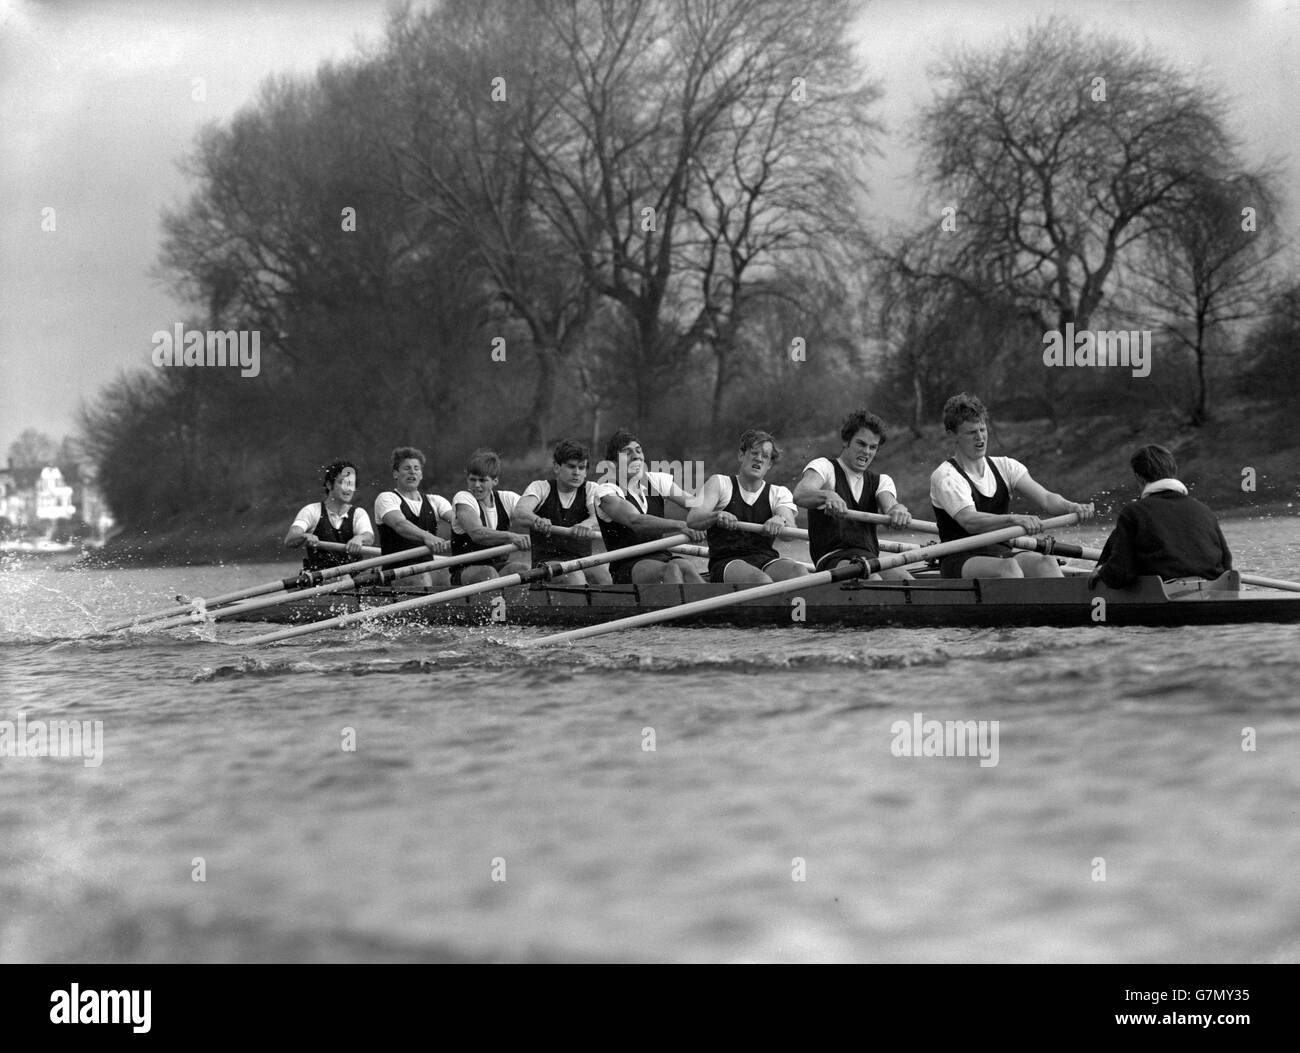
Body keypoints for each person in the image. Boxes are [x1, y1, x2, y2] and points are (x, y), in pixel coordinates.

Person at [929, 393, 1094, 579]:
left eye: (983, 429)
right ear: (953, 436)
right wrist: (1014, 519)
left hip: (1002, 553)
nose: (980, 437)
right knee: (1009, 569)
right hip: (960, 559)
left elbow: (1047, 499)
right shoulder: (946, 476)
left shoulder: (1006, 466)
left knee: (1046, 562)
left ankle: (1063, 608)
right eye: (971, 432)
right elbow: (970, 521)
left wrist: (1071, 506)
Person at [1088, 444, 1231, 589]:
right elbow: (1227, 565)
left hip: (1165, 594)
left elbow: (1120, 574)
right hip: (1213, 590)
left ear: (1139, 478)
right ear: (1173, 472)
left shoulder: (1133, 512)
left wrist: (1102, 572)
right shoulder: (1204, 510)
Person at [793, 409, 914, 580]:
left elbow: (891, 506)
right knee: (873, 579)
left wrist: (899, 510)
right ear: (846, 441)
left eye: (873, 447)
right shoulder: (824, 467)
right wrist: (828, 495)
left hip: (869, 558)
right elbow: (800, 494)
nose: (867, 452)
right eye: (861, 444)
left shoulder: (881, 481)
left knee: (906, 581)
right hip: (832, 559)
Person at [686, 429, 808, 583]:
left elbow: (790, 534)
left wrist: (780, 519)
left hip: (765, 559)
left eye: (765, 456)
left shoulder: (779, 492)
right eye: (754, 453)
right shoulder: (719, 483)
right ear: (741, 455)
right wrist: (716, 516)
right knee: (761, 581)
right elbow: (693, 519)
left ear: (769, 464)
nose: (759, 459)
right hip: (727, 561)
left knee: (800, 573)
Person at [594, 429, 707, 584]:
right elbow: (636, 521)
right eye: (627, 452)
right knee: (672, 570)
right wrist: (681, 525)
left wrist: (715, 516)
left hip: (661, 555)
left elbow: (696, 506)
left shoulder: (657, 481)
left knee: (686, 566)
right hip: (627, 565)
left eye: (638, 451)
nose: (636, 456)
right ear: (612, 464)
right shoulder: (606, 491)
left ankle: (711, 607)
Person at [511, 438, 612, 586]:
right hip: (545, 565)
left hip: (581, 561)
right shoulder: (540, 488)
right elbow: (520, 512)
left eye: (582, 468)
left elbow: (598, 517)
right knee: (575, 577)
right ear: (557, 467)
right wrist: (537, 520)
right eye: (571, 467)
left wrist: (587, 524)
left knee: (604, 575)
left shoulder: (591, 489)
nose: (577, 473)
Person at [450, 449, 533, 585]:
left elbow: (533, 515)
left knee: (522, 569)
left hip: (499, 566)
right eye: (472, 480)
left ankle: (515, 606)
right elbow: (477, 533)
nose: (476, 485)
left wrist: (541, 522)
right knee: (488, 573)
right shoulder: (463, 498)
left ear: (495, 481)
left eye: (482, 480)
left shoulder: (507, 498)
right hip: (465, 570)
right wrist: (511, 536)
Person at [374, 446, 453, 588]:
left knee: (449, 573)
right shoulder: (386, 498)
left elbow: (458, 522)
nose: (412, 472)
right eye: (407, 468)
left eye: (416, 468)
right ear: (395, 474)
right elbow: (400, 524)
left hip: (427, 569)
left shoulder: (436, 501)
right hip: (396, 572)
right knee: (422, 577)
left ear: (421, 474)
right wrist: (427, 536)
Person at [284, 459, 374, 571]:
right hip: (320, 578)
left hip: (354, 578)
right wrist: (304, 536)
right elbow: (290, 539)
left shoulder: (359, 513)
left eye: (351, 483)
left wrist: (360, 538)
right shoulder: (311, 511)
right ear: (329, 484)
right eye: (342, 482)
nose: (348, 488)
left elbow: (369, 538)